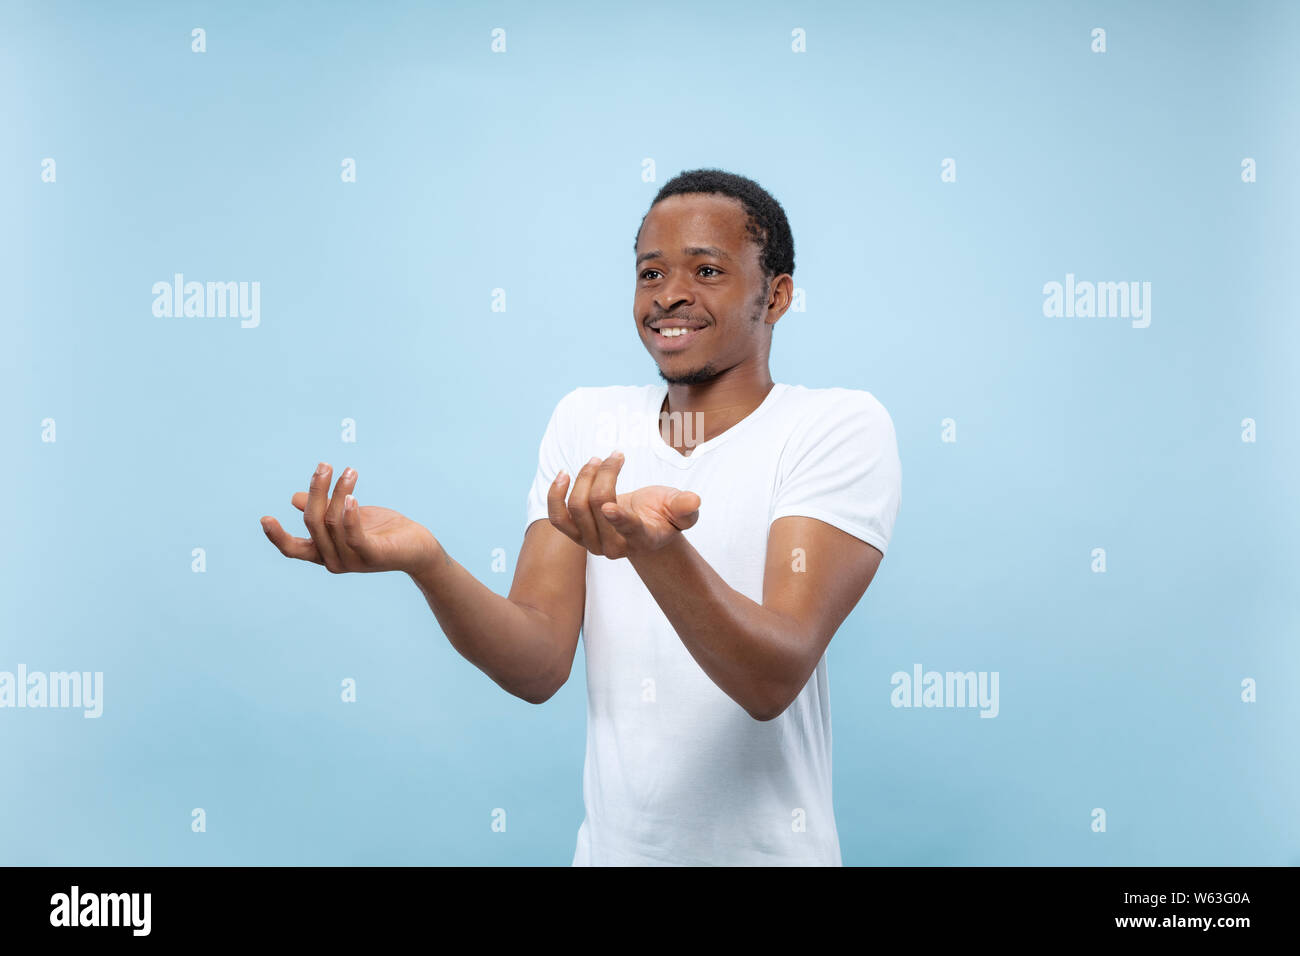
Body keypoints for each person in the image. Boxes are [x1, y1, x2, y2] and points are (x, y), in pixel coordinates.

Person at [261, 168, 902, 865]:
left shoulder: (835, 427)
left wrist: (655, 552)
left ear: (775, 295)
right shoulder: (587, 420)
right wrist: (428, 563)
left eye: (708, 270)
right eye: (650, 273)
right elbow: (537, 664)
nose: (671, 295)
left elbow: (771, 679)